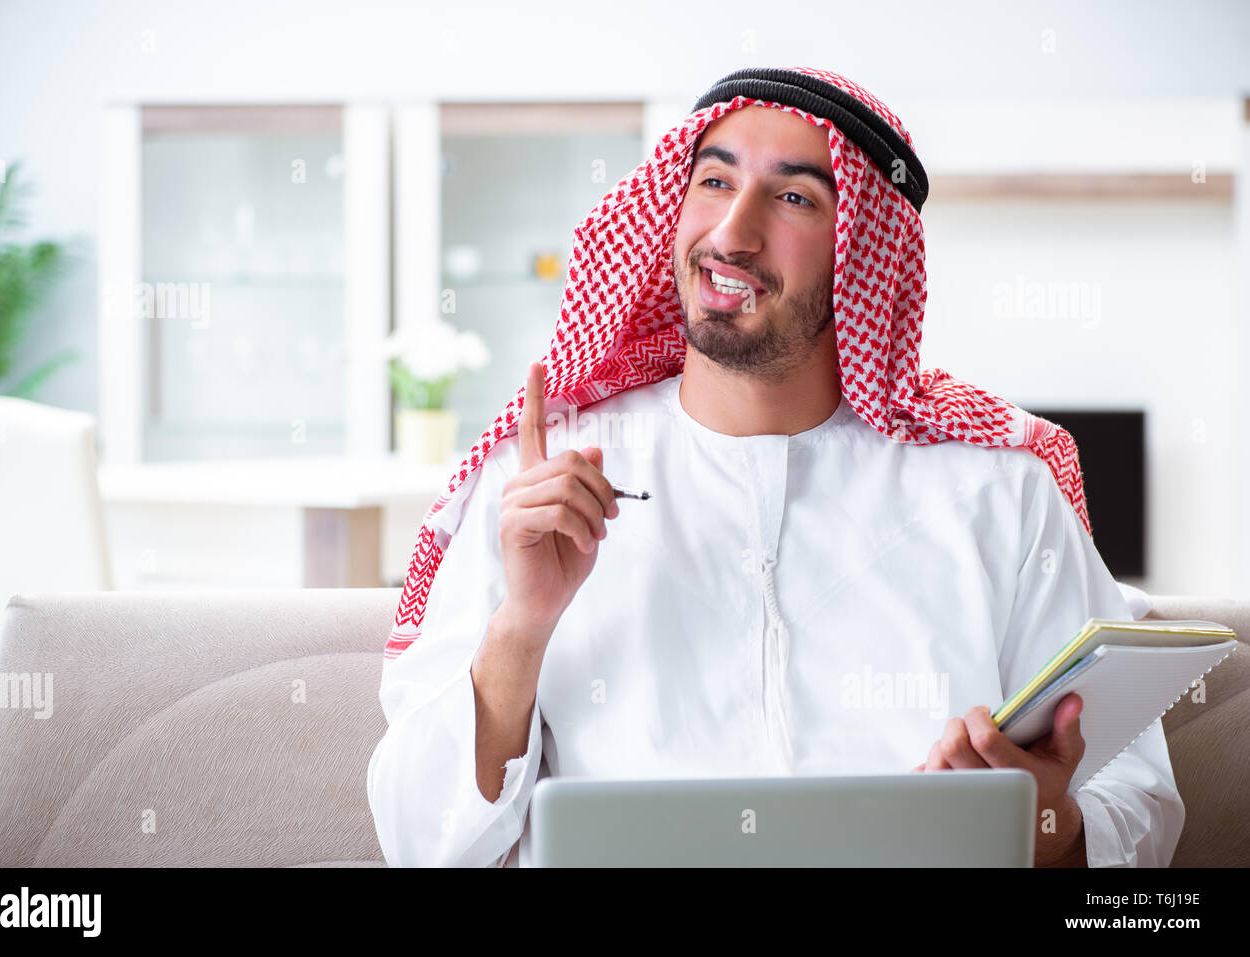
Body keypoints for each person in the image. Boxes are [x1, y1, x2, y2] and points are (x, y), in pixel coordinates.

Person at [366, 66, 1184, 868]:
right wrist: (522, 624)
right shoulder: (540, 486)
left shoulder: (998, 496)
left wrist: (1047, 830)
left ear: (863, 249)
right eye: (714, 182)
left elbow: (1142, 812)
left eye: (794, 196)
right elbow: (419, 842)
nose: (732, 231)